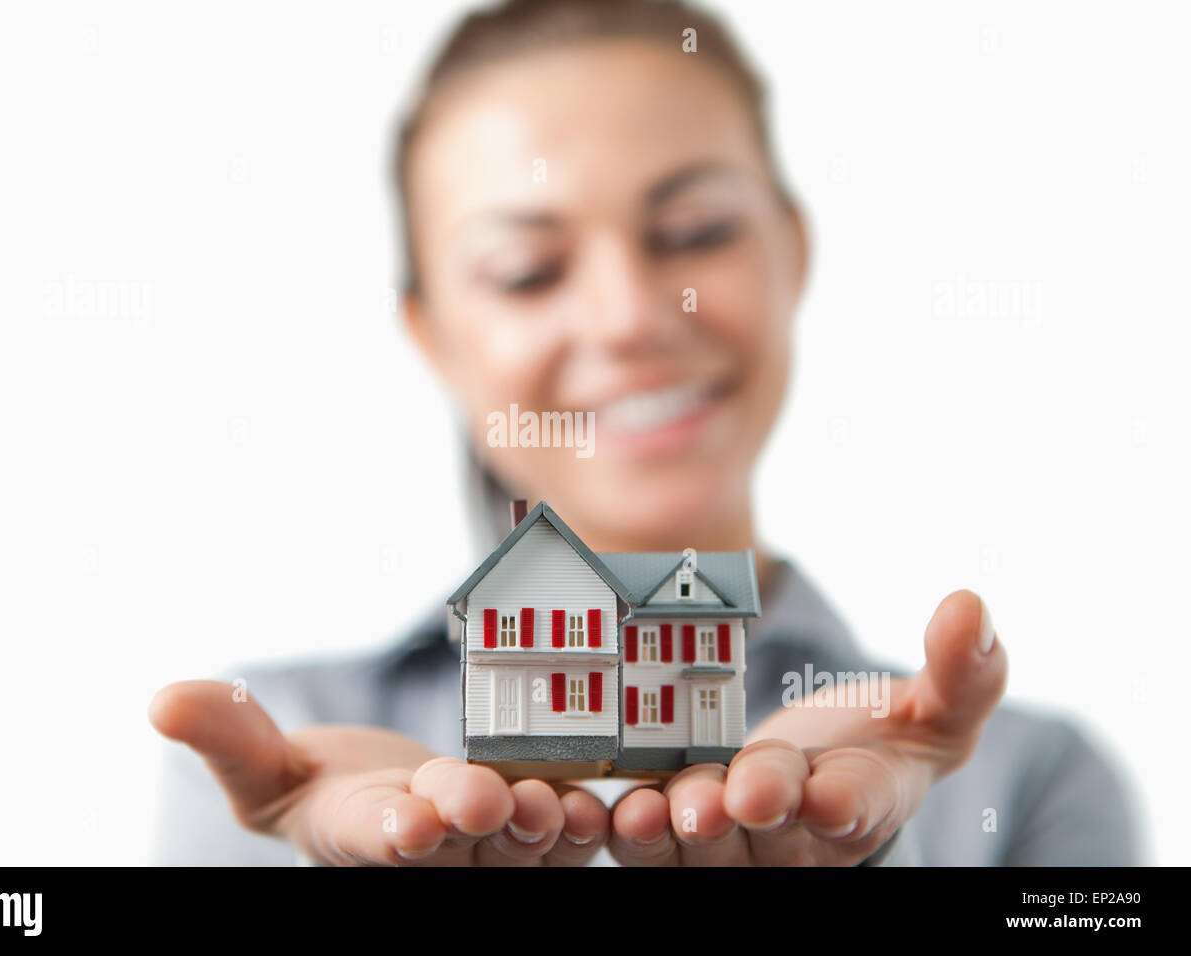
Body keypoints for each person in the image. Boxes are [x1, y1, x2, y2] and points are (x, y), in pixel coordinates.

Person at [148, 0, 1139, 866]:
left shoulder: (1034, 776)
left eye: (697, 231)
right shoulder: (277, 756)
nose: (628, 315)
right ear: (433, 335)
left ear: (791, 251)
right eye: (528, 268)